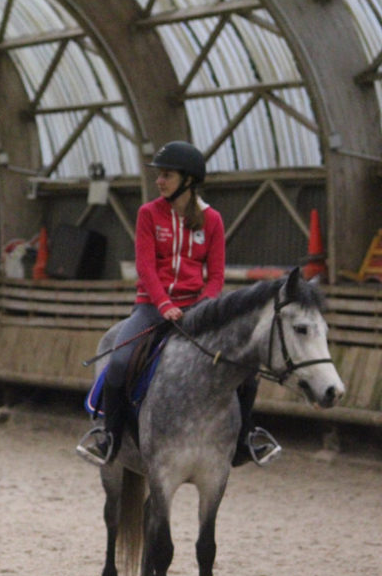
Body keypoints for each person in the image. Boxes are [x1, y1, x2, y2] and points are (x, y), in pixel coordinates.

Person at [76, 140, 282, 468]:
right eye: (159, 175)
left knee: (247, 370)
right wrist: (162, 304)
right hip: (150, 306)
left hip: (197, 309)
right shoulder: (148, 214)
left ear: (187, 180)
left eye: (166, 175)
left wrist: (202, 307)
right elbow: (145, 266)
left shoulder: (212, 220)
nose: (159, 181)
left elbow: (215, 275)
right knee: (119, 361)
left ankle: (245, 439)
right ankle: (109, 437)